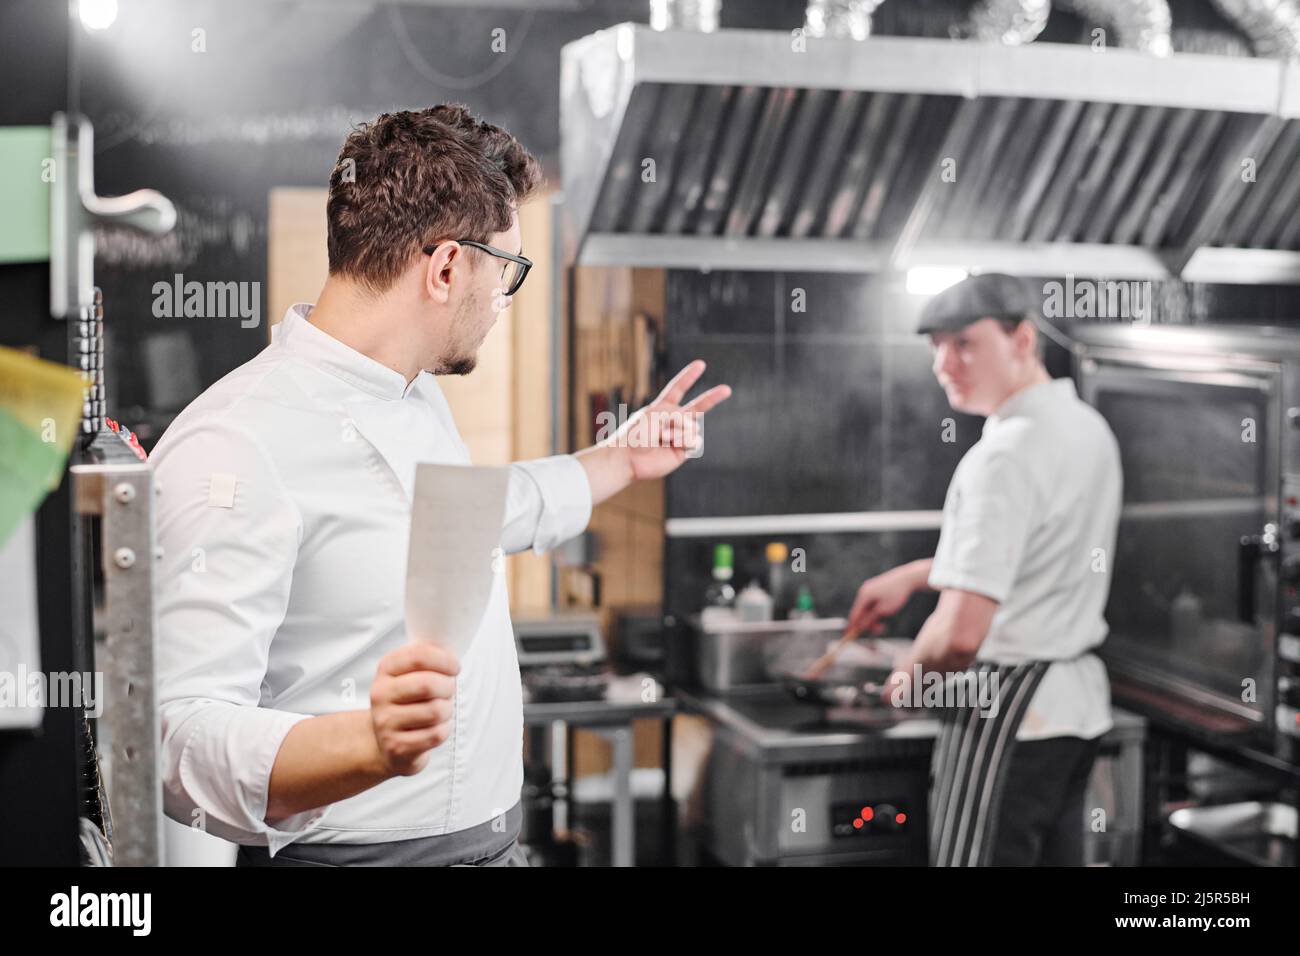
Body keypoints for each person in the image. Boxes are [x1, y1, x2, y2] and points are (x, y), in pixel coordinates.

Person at [151, 105, 730, 866]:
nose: (503, 302)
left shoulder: (412, 393)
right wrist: (365, 742)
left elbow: (484, 514)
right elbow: (177, 733)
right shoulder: (235, 439)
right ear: (449, 267)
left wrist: (622, 459)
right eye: (509, 272)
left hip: (494, 846)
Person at [847, 273, 1121, 866]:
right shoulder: (1086, 428)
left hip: (1007, 714)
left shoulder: (1001, 455)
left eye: (964, 343)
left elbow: (961, 634)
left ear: (1022, 339)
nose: (945, 362)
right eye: (935, 346)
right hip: (1073, 712)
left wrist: (909, 675)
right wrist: (920, 574)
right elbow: (1036, 552)